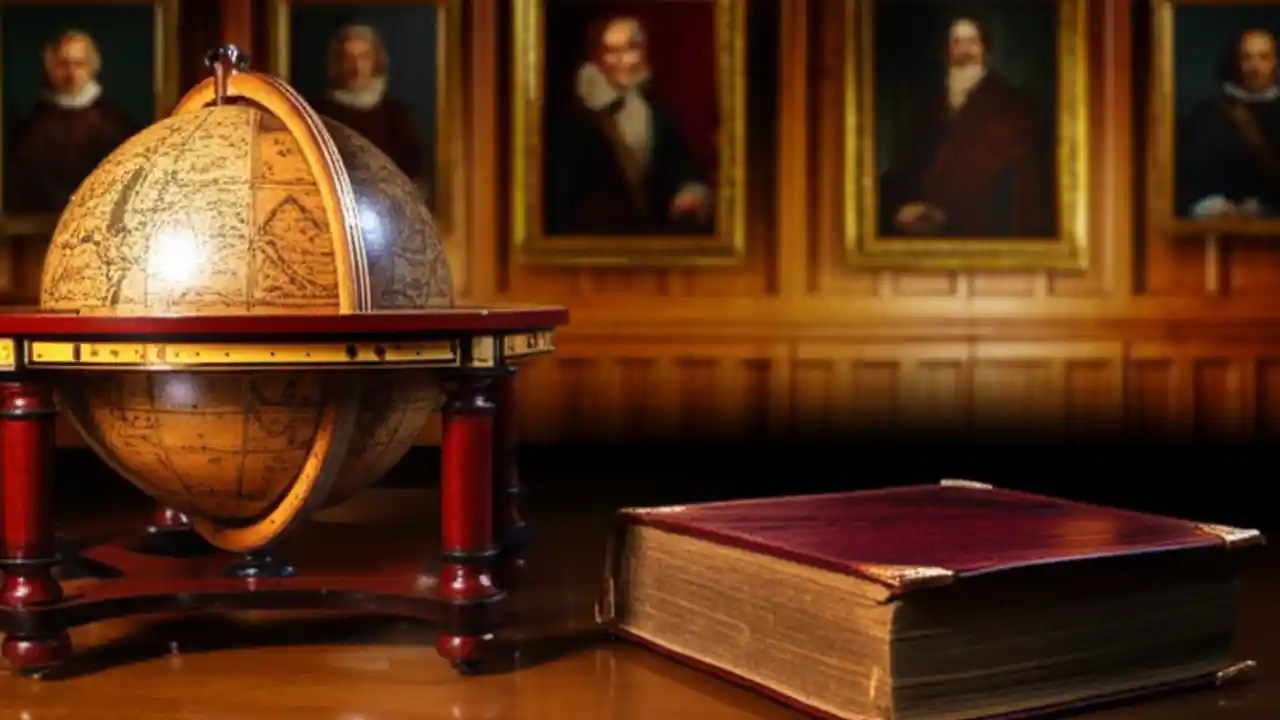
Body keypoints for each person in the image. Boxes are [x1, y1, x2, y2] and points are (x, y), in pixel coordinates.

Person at [878, 17, 1053, 237]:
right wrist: (900, 209)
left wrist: (947, 215)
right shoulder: (928, 107)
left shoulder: (1013, 106)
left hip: (981, 232)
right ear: (946, 51)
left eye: (971, 41)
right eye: (956, 42)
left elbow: (1014, 192)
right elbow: (906, 168)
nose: (964, 51)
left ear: (985, 50)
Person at [544, 15, 713, 235]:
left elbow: (681, 167)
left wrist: (690, 191)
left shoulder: (656, 114)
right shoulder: (572, 122)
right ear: (596, 56)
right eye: (612, 51)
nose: (625, 60)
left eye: (632, 48)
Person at [6, 29, 137, 213]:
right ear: (50, 68)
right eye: (63, 64)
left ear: (92, 66)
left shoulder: (114, 121)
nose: (71, 73)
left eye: (79, 64)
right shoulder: (34, 127)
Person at [1175, 28, 1280, 220]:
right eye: (1246, 58)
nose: (1255, 67)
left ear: (1275, 63)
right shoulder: (1206, 115)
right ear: (1235, 63)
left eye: (1264, 58)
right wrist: (1209, 206)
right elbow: (1186, 177)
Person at [312, 24, 428, 190]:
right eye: (348, 58)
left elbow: (414, 171)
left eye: (364, 57)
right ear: (337, 63)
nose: (356, 67)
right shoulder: (320, 113)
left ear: (376, 61)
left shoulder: (397, 114)